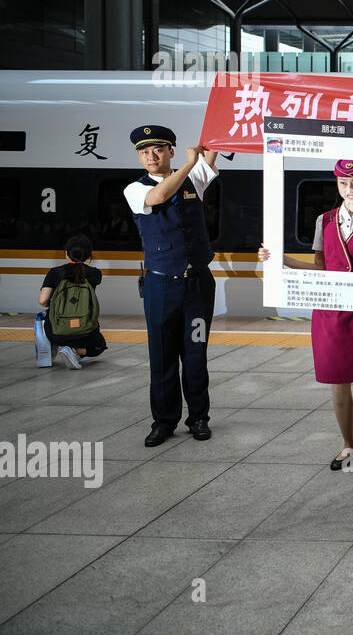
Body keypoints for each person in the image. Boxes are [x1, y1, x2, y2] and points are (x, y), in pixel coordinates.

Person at [257, 160, 353, 475]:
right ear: (336, 184)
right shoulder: (324, 220)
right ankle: (347, 444)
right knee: (337, 382)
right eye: (343, 183)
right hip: (330, 310)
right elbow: (322, 268)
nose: (350, 190)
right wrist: (282, 261)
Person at [123, 126, 218, 447]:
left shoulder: (195, 179)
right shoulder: (134, 189)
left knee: (195, 354)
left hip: (197, 288)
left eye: (158, 149)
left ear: (171, 151)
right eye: (144, 151)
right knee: (162, 357)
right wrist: (189, 165)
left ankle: (199, 418)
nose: (151, 156)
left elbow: (216, 143)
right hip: (160, 287)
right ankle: (163, 422)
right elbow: (159, 196)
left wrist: (223, 121)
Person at [36, 234, 108, 369]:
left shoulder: (54, 272)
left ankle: (61, 347)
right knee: (99, 345)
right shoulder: (95, 274)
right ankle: (74, 351)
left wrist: (48, 307)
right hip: (86, 331)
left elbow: (42, 300)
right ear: (89, 256)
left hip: (56, 333)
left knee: (48, 322)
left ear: (66, 254)